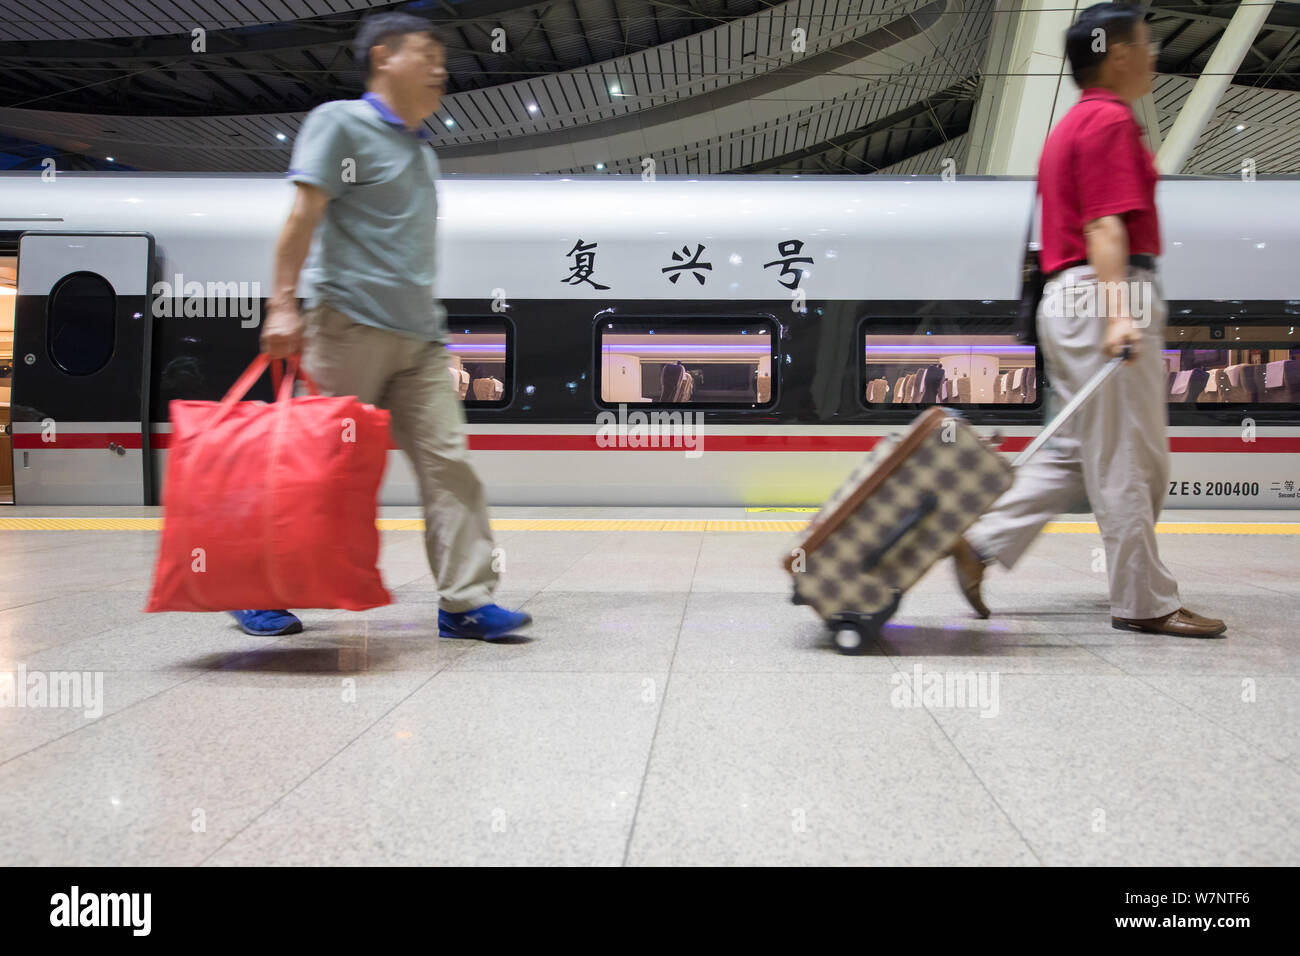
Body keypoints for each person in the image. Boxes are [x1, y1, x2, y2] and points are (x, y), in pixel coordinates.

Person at [230, 12, 531, 641]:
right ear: (384, 56)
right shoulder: (340, 123)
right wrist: (283, 303)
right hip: (348, 327)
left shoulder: (423, 151)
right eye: (428, 52)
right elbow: (302, 216)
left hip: (419, 341)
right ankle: (255, 586)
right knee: (322, 468)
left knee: (450, 466)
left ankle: (465, 602)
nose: (441, 66)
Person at [950, 2, 1225, 638]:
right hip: (1107, 291)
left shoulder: (1072, 125)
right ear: (1120, 53)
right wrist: (1120, 316)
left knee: (1075, 451)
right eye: (1148, 44)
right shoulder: (1108, 122)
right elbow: (1105, 224)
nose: (1155, 55)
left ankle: (980, 542)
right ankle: (1145, 601)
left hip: (1068, 297)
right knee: (1131, 458)